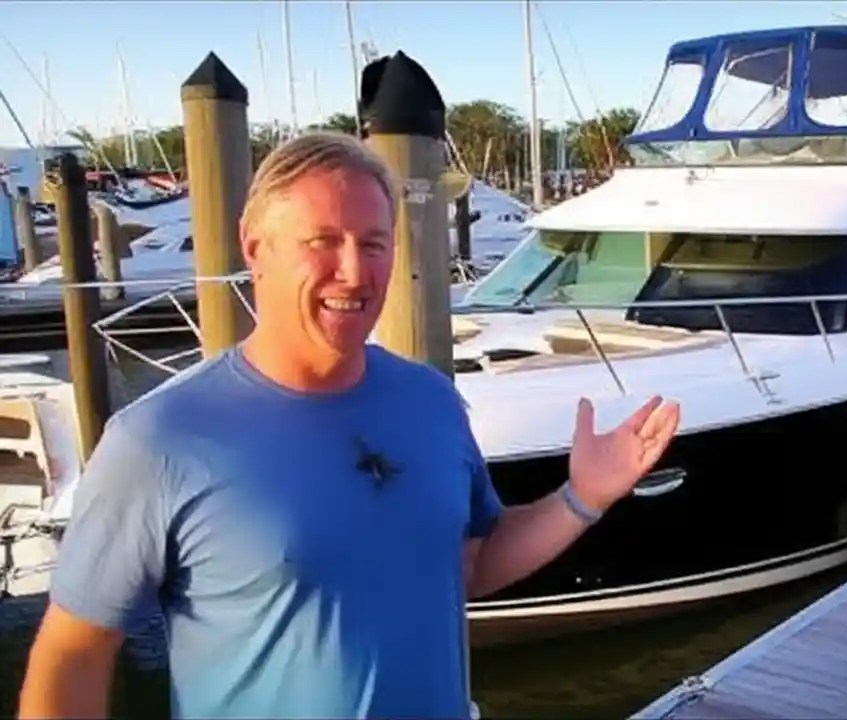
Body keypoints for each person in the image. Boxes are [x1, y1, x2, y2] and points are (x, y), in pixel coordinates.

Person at [17, 132, 680, 719]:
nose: (354, 271)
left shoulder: (430, 400)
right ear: (256, 248)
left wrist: (582, 498)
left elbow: (468, 566)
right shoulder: (158, 440)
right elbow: (72, 656)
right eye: (322, 242)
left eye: (373, 243)